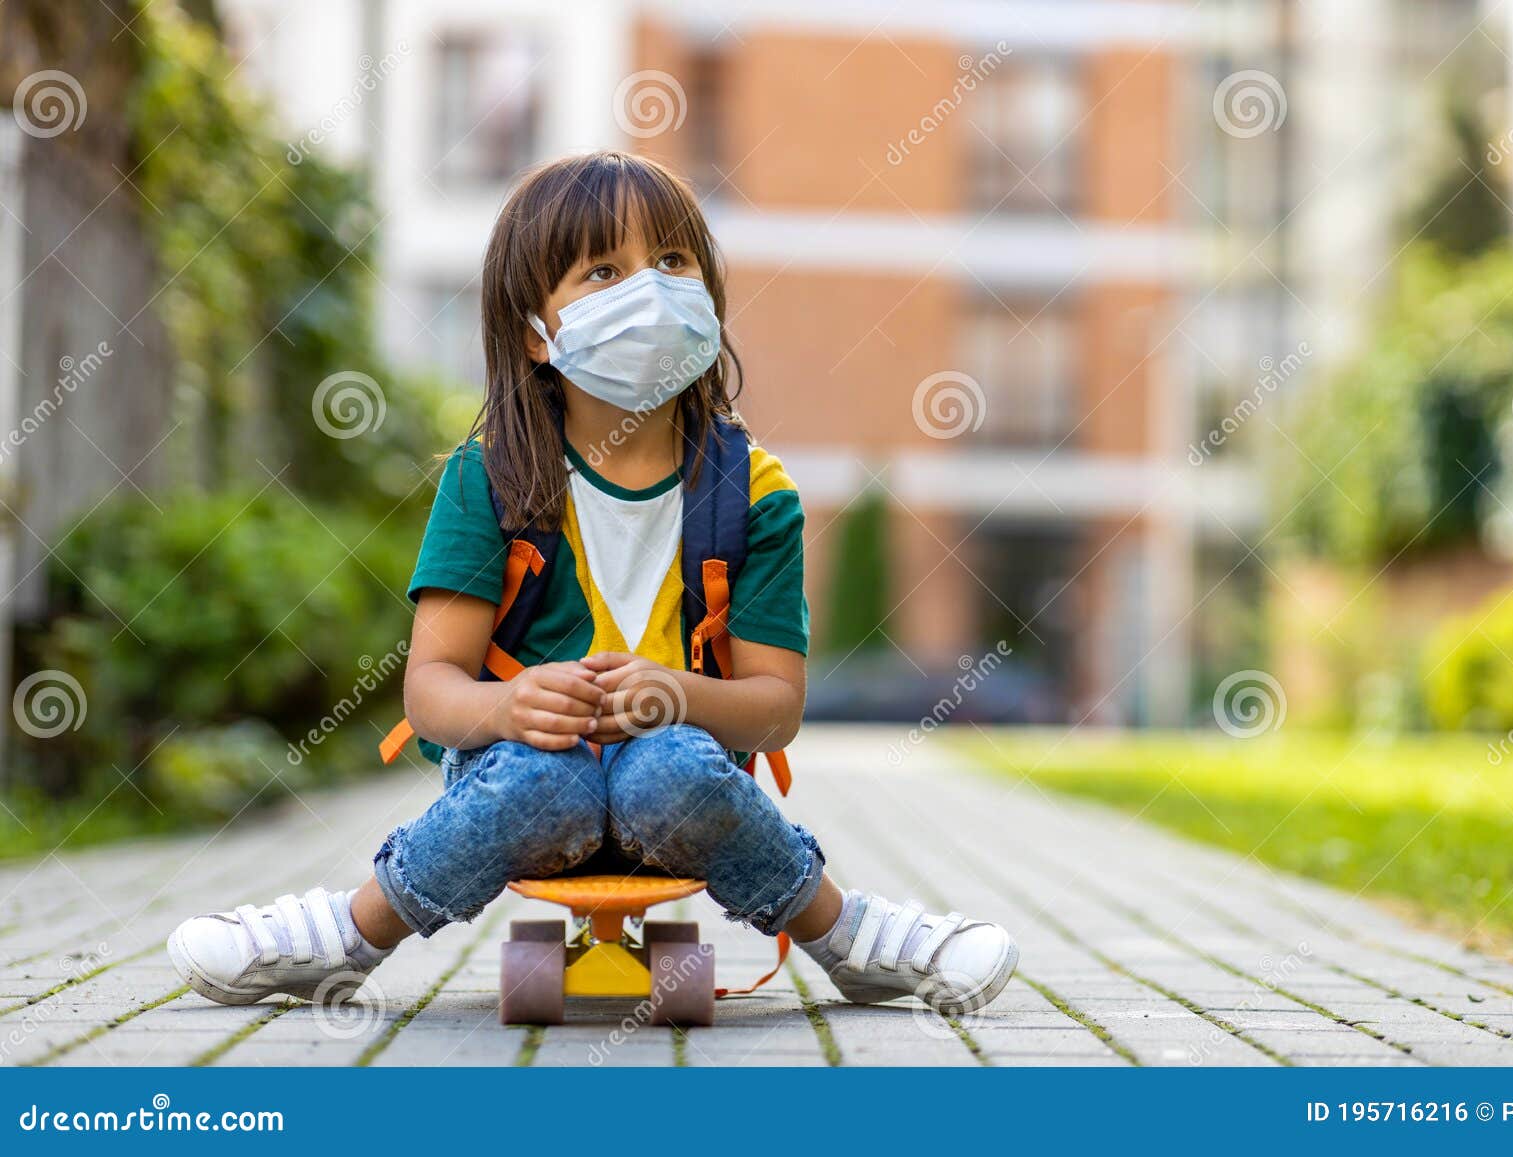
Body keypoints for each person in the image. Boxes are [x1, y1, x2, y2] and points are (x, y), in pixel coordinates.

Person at [167, 150, 1018, 1019]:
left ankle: (849, 938)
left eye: (672, 261)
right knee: (546, 777)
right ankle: (349, 934)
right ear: (538, 334)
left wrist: (678, 695)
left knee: (668, 770)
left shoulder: (756, 493)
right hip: (525, 787)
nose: (649, 289)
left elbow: (776, 709)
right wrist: (509, 708)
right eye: (604, 271)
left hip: (679, 793)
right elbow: (430, 691)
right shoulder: (487, 479)